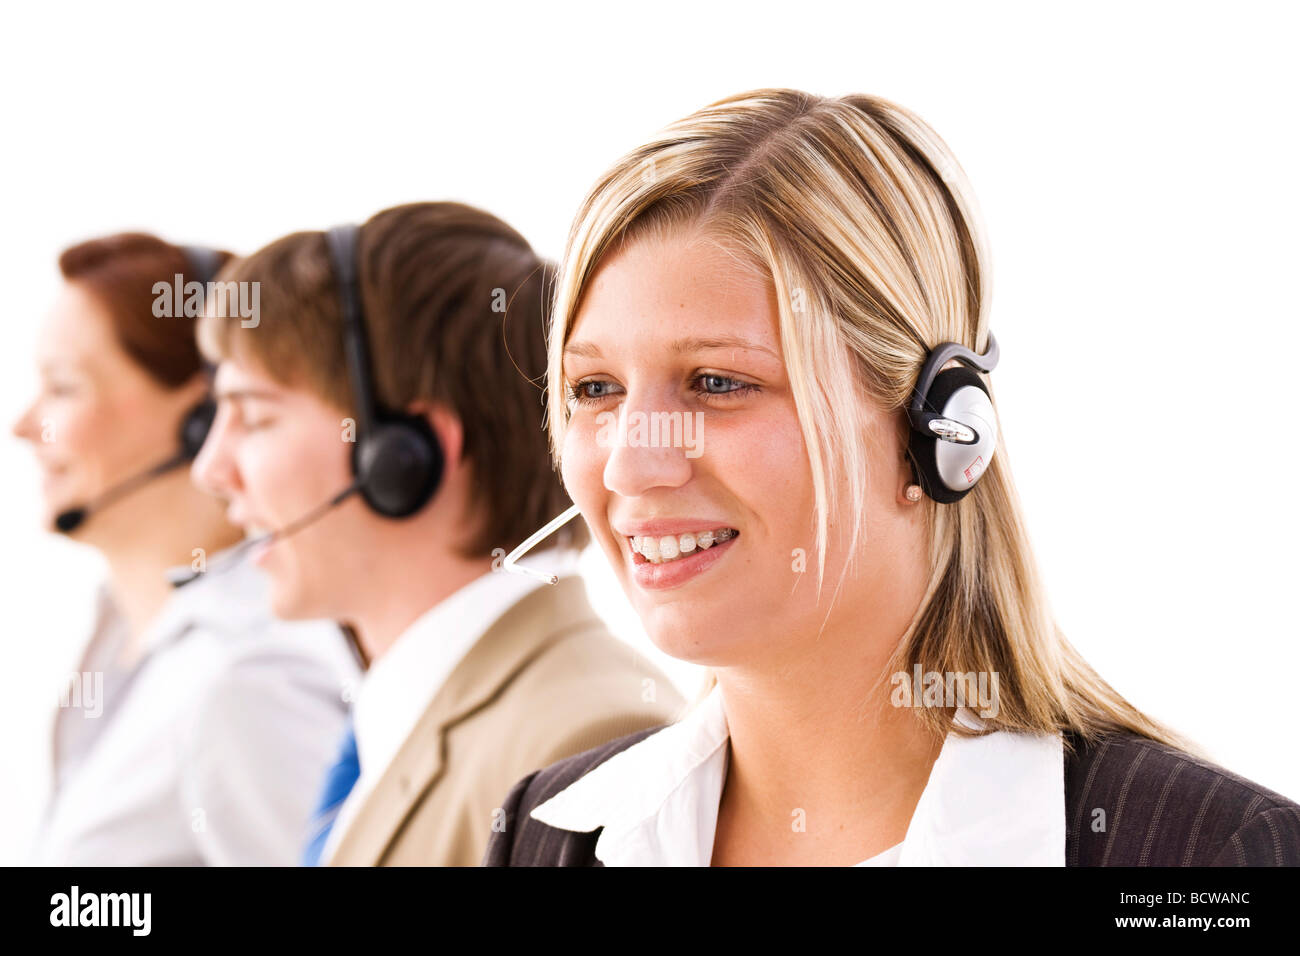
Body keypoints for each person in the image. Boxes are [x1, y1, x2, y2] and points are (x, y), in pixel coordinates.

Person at [483, 88, 1300, 866]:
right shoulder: (549, 838)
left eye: (719, 382)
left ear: (942, 428)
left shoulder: (1209, 860)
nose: (631, 461)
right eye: (596, 390)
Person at [191, 201, 684, 867]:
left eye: (254, 419)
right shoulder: (394, 720)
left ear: (404, 456)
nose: (210, 470)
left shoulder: (586, 743)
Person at [11, 232, 358, 866]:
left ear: (203, 413)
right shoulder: (116, 632)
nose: (24, 424)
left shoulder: (252, 673)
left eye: (62, 388)